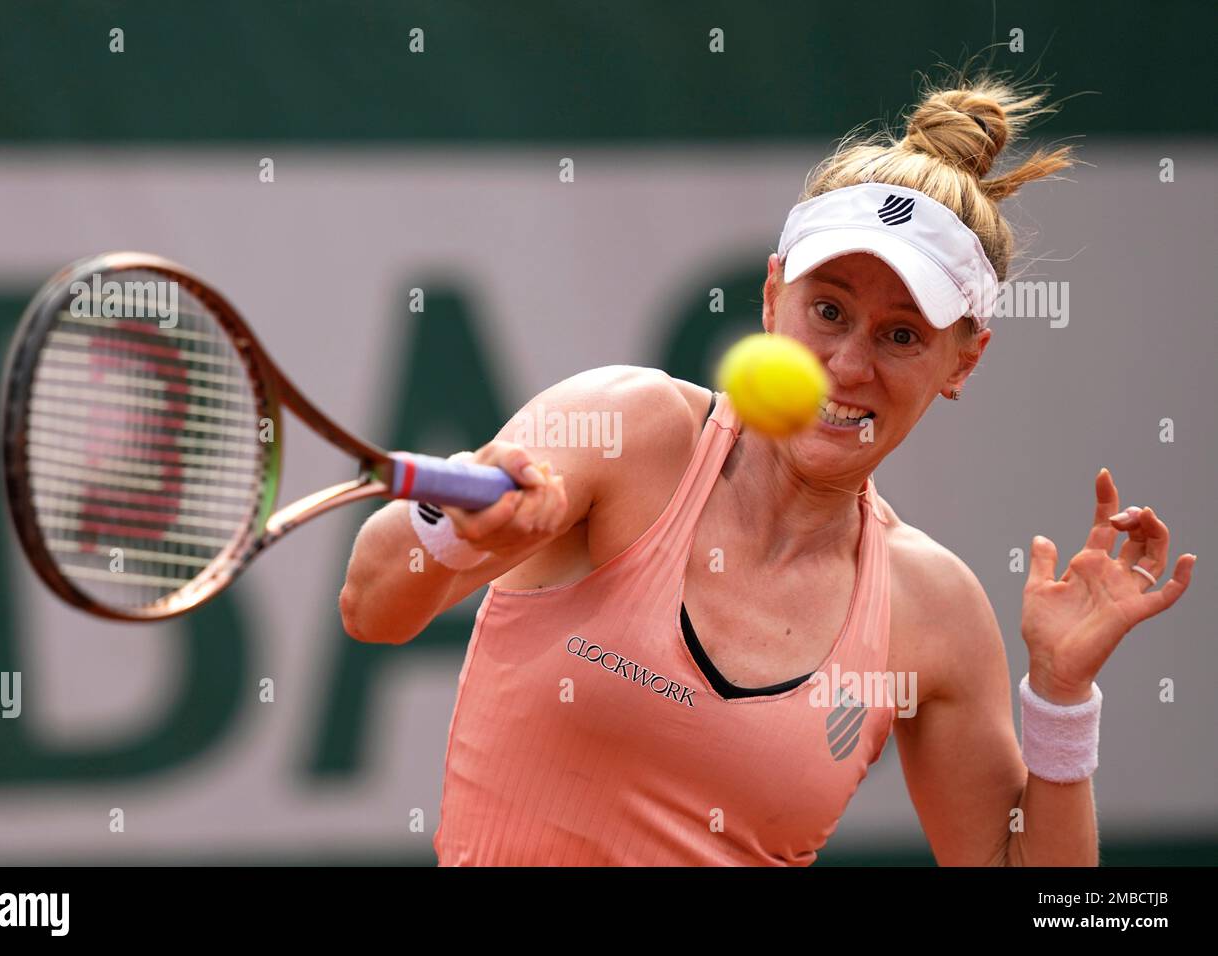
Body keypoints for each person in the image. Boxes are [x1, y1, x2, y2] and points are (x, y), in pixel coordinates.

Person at [339, 74, 1196, 866]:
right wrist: (452, 527)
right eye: (827, 310)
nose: (848, 365)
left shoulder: (934, 612)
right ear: (771, 295)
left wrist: (1059, 695)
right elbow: (372, 606)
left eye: (902, 335)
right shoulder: (625, 429)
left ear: (964, 361)